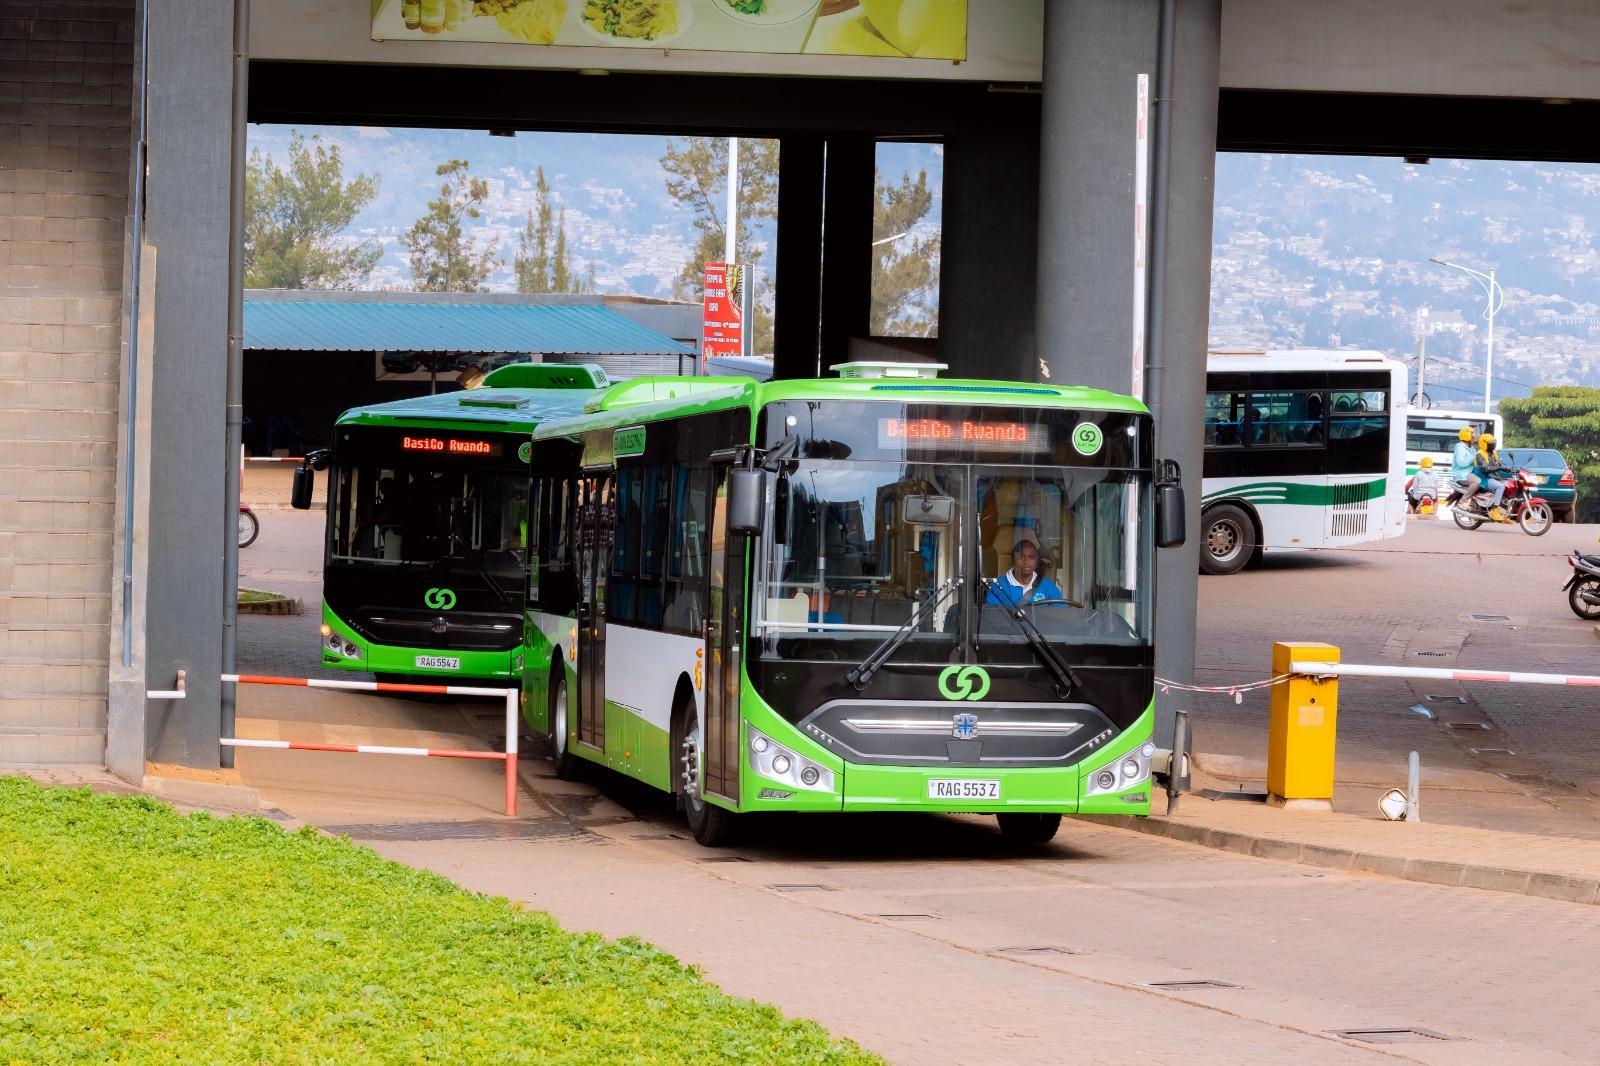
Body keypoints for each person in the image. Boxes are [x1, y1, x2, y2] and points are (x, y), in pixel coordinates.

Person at [985, 537, 1066, 608]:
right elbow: (994, 618)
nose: (1026, 561)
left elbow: (1060, 611)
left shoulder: (1047, 585)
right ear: (1013, 560)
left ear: (1036, 561)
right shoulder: (997, 586)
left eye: (1031, 557)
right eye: (1021, 557)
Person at [1475, 432, 1510, 523]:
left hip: (1493, 477)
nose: (1492, 446)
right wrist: (1499, 467)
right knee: (1500, 486)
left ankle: (1504, 510)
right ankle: (1495, 510)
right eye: (1490, 444)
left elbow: (1500, 464)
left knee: (1509, 484)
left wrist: (1509, 468)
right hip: (1483, 478)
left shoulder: (1493, 453)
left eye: (1493, 444)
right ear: (1484, 444)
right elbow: (1485, 468)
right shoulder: (1479, 454)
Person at [1450, 426, 1481, 507]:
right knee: (1477, 482)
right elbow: (1461, 463)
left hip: (1470, 473)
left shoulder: (1472, 448)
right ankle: (1464, 501)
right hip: (1462, 475)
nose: (1474, 438)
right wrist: (1473, 458)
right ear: (1467, 437)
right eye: (1473, 436)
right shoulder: (1460, 448)